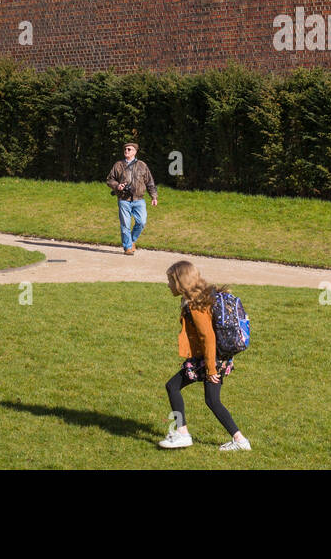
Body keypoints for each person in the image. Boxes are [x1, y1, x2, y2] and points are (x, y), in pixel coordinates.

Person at [158, 260, 250, 451]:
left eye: (170, 281)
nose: (168, 285)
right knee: (212, 400)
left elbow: (207, 337)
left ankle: (183, 434)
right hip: (219, 358)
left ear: (181, 282)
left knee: (172, 386)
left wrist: (210, 369)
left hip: (210, 360)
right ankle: (240, 440)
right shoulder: (207, 296)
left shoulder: (196, 305)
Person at [105, 141, 157, 255]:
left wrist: (153, 196)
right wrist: (117, 185)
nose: (127, 151)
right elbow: (110, 179)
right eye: (125, 149)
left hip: (139, 200)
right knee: (125, 225)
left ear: (135, 151)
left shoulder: (142, 165)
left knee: (141, 222)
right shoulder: (118, 165)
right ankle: (128, 247)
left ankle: (132, 240)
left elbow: (150, 182)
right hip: (123, 200)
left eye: (129, 149)